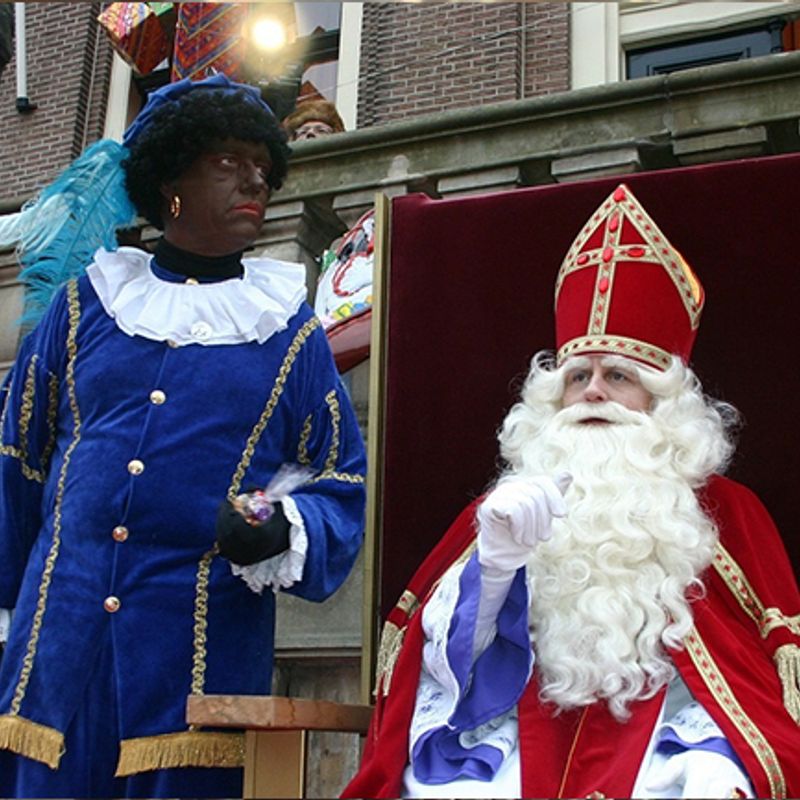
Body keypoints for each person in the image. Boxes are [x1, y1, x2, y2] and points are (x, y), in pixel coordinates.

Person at [343, 183, 800, 799]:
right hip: (510, 742)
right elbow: (435, 672)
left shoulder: (726, 512)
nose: (591, 392)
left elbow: (759, 678)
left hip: (671, 741)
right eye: (578, 375)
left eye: (619, 376)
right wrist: (494, 566)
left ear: (663, 403)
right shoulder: (501, 507)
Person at [0, 74, 366, 798]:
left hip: (196, 659)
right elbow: (17, 463)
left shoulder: (288, 331)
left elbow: (340, 479)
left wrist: (282, 528)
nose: (253, 178)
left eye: (262, 164)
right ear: (170, 183)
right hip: (56, 649)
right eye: (227, 162)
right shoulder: (83, 310)